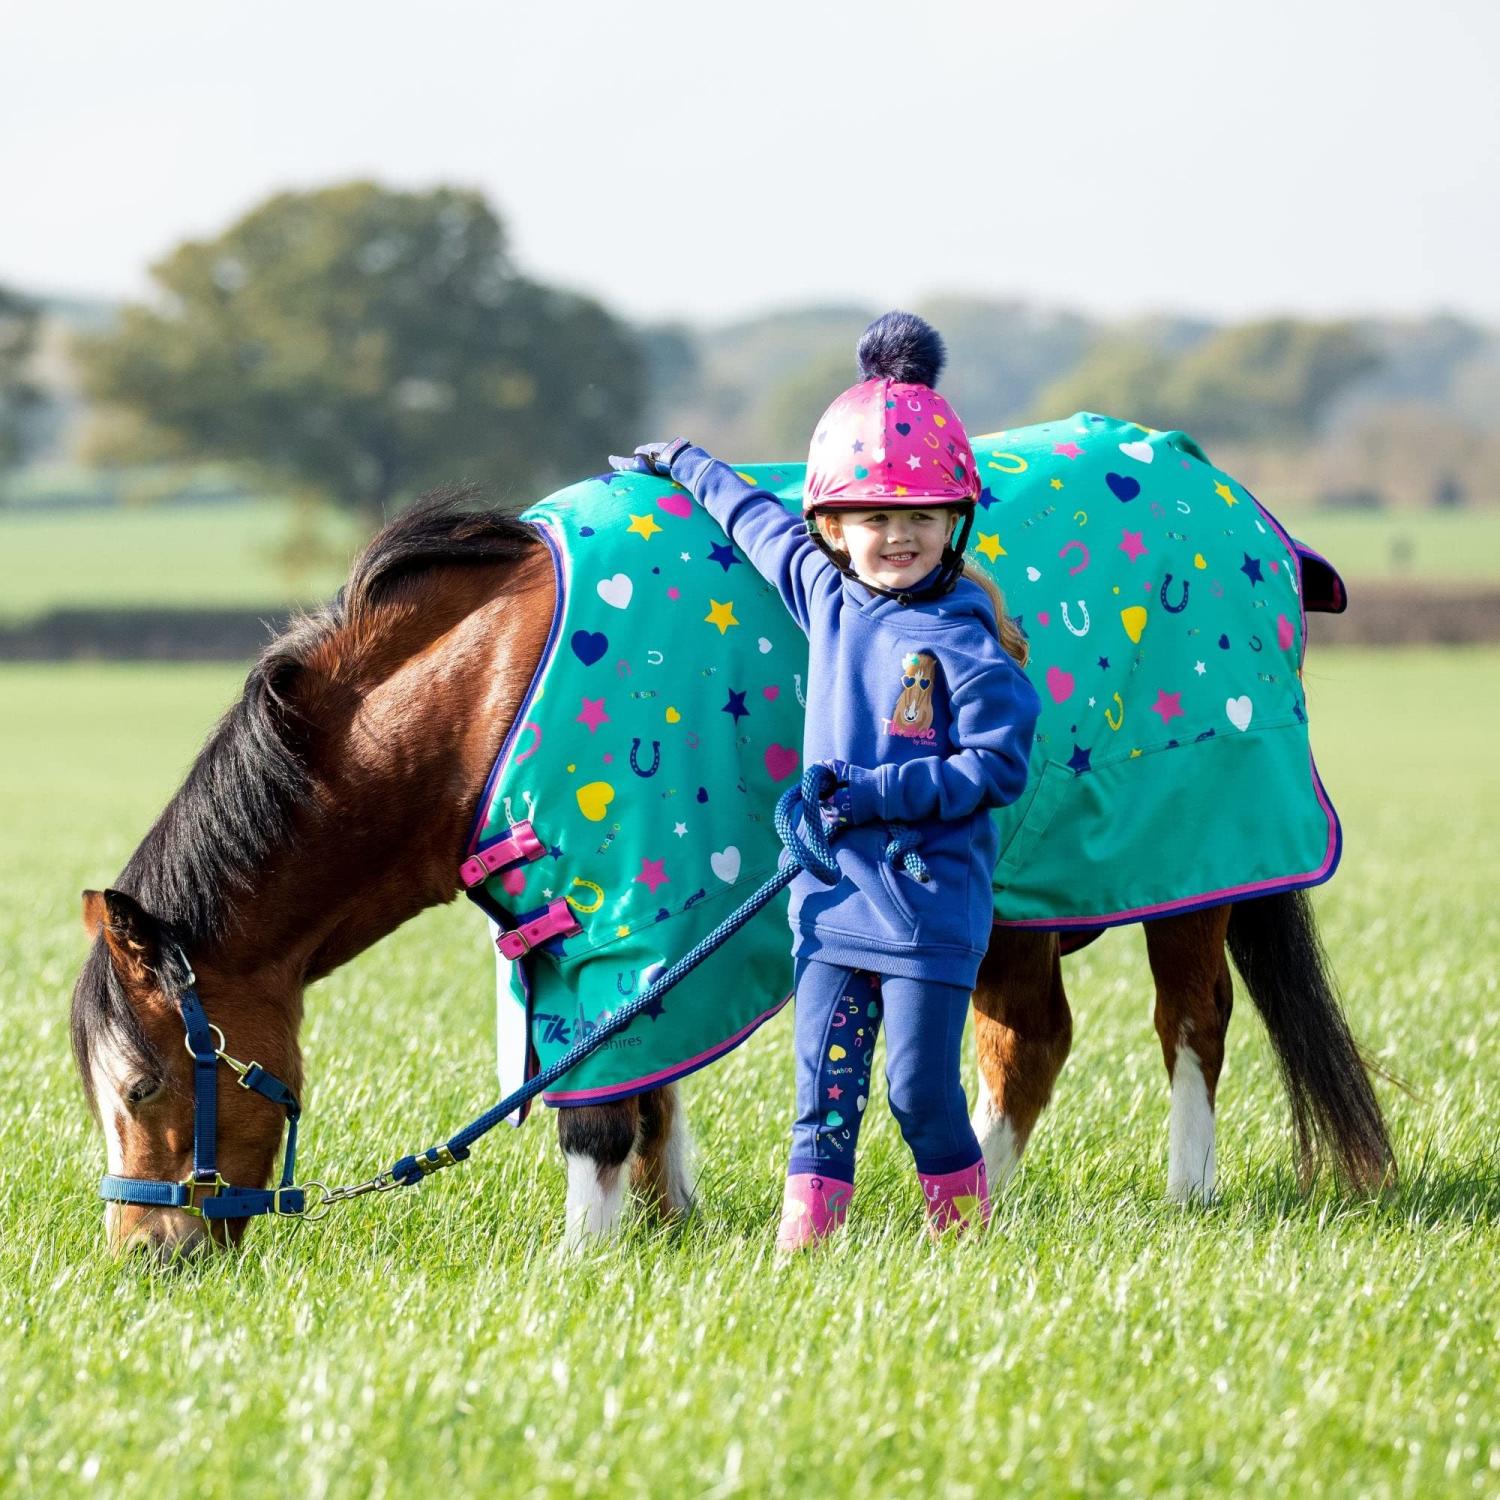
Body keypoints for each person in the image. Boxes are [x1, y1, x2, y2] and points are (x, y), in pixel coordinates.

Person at [610, 311, 1040, 1250]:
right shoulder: (827, 595)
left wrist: (872, 794)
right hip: (832, 906)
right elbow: (755, 522)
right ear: (835, 528)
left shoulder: (968, 644)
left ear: (953, 522)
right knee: (822, 1096)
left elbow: (995, 768)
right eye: (875, 517)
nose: (897, 536)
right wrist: (687, 464)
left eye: (919, 517)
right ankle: (804, 1257)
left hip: (928, 918)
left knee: (918, 1092)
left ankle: (967, 1250)